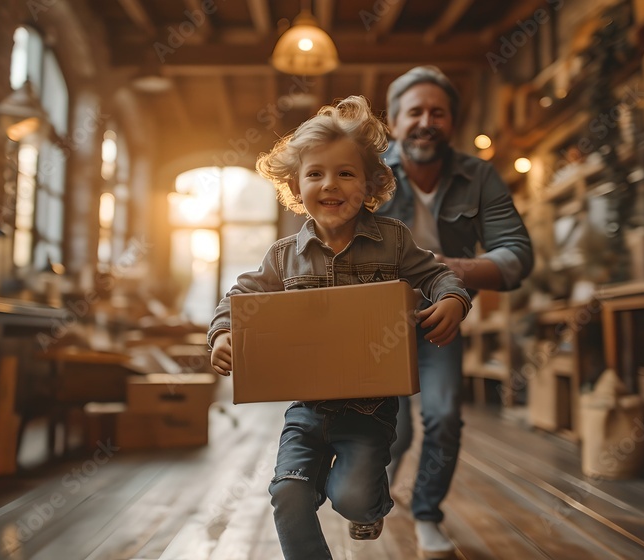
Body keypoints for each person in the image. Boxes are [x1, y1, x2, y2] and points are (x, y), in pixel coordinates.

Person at [208, 95, 471, 560]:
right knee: (287, 494)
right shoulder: (283, 255)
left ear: (370, 182)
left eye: (346, 173)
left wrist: (452, 297)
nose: (330, 185)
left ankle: (366, 501)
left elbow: (436, 274)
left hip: (369, 412)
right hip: (306, 409)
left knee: (352, 497)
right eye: (316, 174)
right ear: (295, 184)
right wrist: (224, 333)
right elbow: (239, 296)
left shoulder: (393, 241)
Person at [378, 66, 534, 559]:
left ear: (452, 122)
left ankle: (426, 513)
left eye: (438, 112)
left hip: (442, 315)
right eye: (415, 112)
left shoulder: (479, 175)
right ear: (394, 121)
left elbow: (517, 255)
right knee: (393, 427)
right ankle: (374, 499)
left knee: (443, 417)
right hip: (377, 322)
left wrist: (457, 270)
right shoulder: (369, 172)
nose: (427, 121)